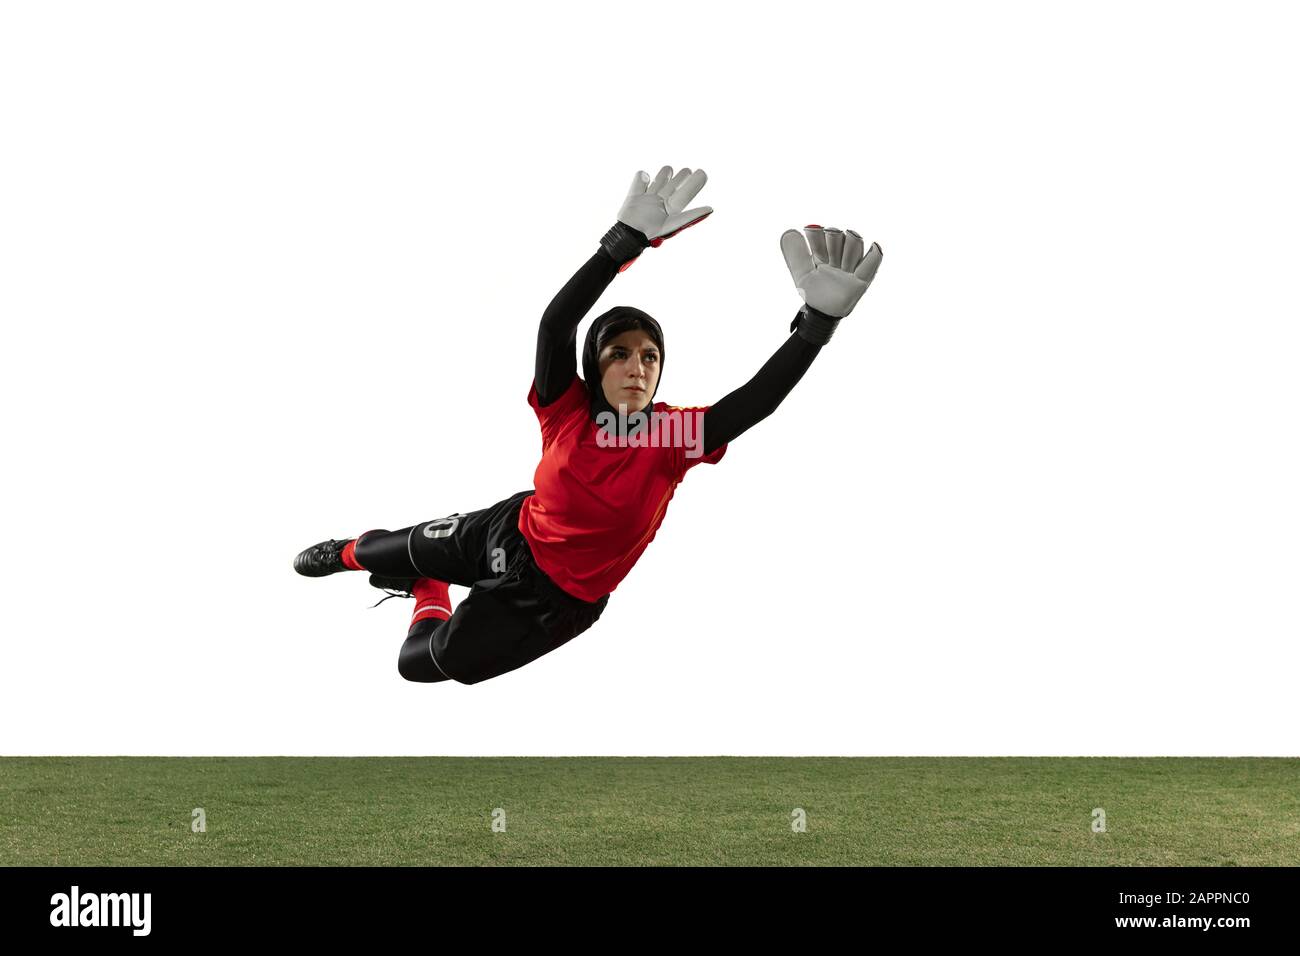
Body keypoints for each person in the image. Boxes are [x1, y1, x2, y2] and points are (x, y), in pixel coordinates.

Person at [293, 165, 883, 685]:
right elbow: (556, 325)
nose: (636, 367)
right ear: (593, 368)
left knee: (420, 665)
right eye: (619, 354)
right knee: (385, 548)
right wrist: (622, 244)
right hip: (511, 530)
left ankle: (428, 592)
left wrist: (816, 326)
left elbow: (755, 401)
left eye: (649, 357)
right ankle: (347, 552)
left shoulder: (671, 439)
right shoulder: (566, 410)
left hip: (553, 600)